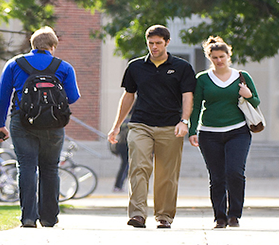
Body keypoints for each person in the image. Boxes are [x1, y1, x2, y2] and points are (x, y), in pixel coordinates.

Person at [107, 25, 196, 229]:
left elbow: (187, 96)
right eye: (150, 43)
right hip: (140, 124)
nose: (154, 47)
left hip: (170, 126)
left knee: (166, 173)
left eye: (158, 43)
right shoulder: (135, 66)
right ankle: (137, 214)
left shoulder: (182, 67)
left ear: (167, 42)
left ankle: (164, 216)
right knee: (138, 167)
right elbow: (128, 96)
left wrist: (184, 121)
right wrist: (116, 126)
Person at [0, 26, 81, 228]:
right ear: (52, 46)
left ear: (32, 45)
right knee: (50, 168)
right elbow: (73, 97)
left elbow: (3, 96)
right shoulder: (64, 67)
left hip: (21, 122)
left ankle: (28, 218)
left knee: (26, 167)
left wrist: (0, 125)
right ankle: (49, 218)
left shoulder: (14, 64)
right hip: (53, 125)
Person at [187, 36, 259, 228]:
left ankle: (234, 214)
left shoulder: (242, 76)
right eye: (215, 57)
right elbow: (195, 107)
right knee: (217, 176)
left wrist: (248, 95)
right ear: (210, 58)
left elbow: (256, 102)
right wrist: (192, 130)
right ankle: (220, 216)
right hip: (209, 134)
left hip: (238, 132)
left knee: (235, 172)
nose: (219, 60)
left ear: (229, 55)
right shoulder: (202, 79)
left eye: (222, 56)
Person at [112, 114, 130, 192]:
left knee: (124, 165)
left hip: (121, 145)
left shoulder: (124, 121)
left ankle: (118, 185)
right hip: (128, 146)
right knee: (126, 166)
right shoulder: (133, 120)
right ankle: (118, 185)